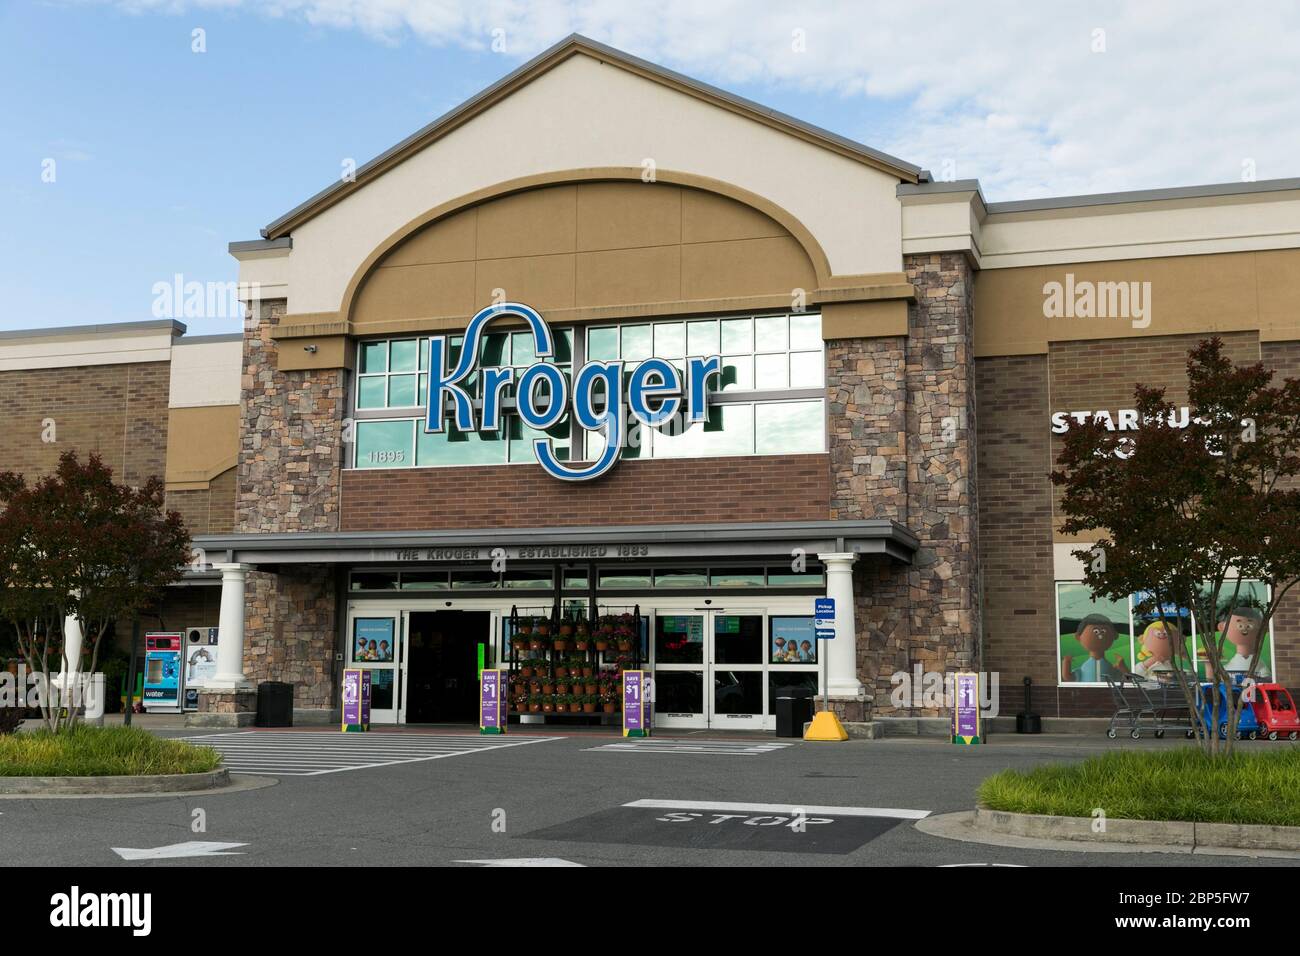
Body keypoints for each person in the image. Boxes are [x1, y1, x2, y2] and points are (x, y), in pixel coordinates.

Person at [1061, 614, 1126, 683]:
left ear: (1115, 636)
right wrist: (1066, 662)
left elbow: (1127, 678)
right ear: (1078, 637)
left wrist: (1122, 667)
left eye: (1103, 631)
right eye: (1096, 632)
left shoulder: (1110, 668)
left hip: (1108, 692)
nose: (1100, 635)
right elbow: (1068, 677)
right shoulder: (1084, 668)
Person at [1221, 607, 1270, 679]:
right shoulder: (1228, 667)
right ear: (1222, 627)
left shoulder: (1260, 665)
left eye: (1249, 625)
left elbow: (1265, 675)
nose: (1244, 628)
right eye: (1240, 625)